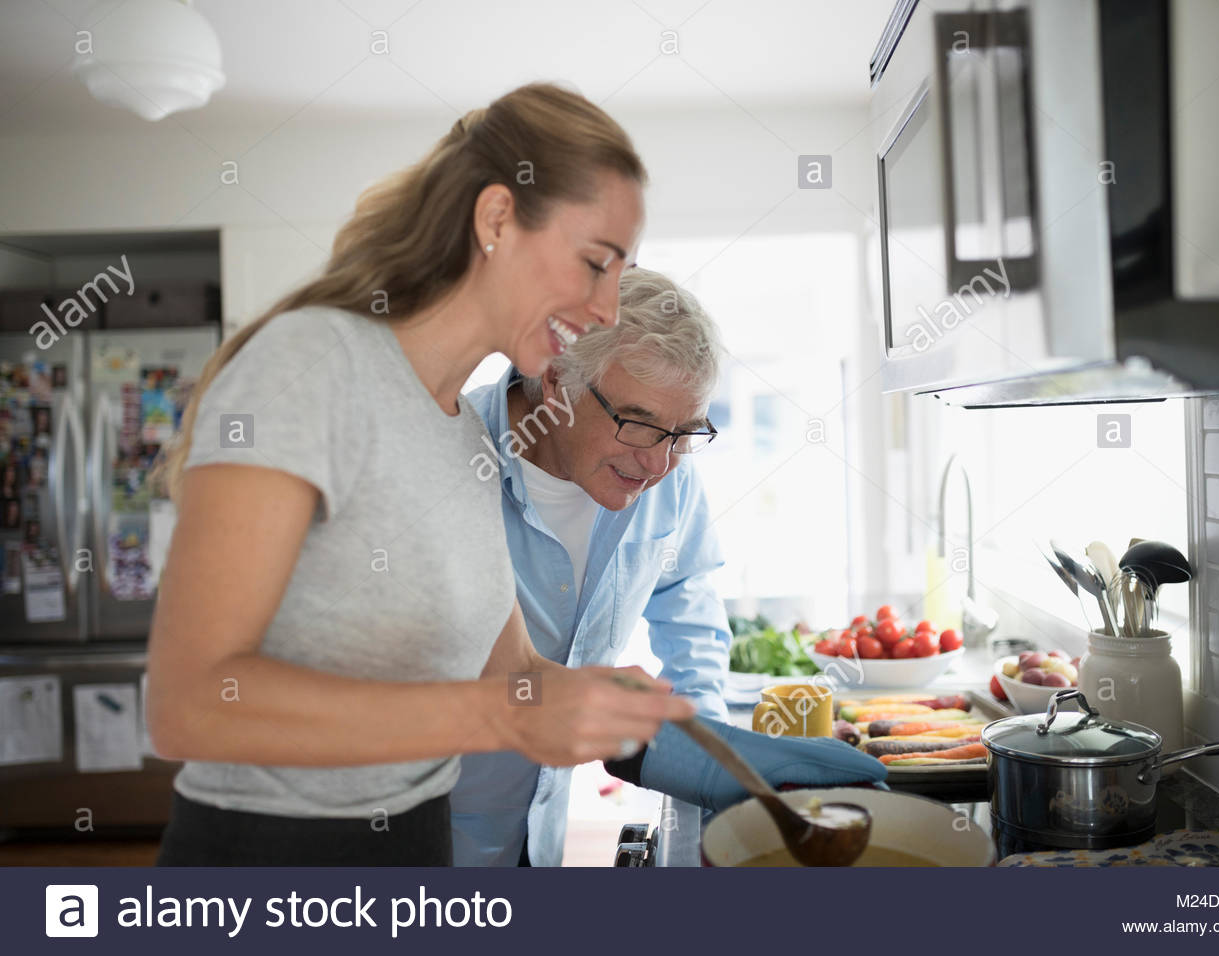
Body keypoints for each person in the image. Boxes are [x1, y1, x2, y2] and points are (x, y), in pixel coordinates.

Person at [144, 83, 694, 867]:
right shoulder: (311, 365)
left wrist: (608, 705)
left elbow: (515, 673)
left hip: (412, 846)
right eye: (596, 264)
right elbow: (188, 704)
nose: (608, 308)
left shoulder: (466, 435)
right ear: (498, 219)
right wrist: (507, 715)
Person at [451, 267, 886, 867]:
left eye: (684, 433)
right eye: (638, 423)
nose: (656, 464)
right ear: (556, 382)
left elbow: (690, 606)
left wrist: (709, 749)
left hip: (542, 834)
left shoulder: (664, 474)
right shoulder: (449, 466)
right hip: (422, 840)